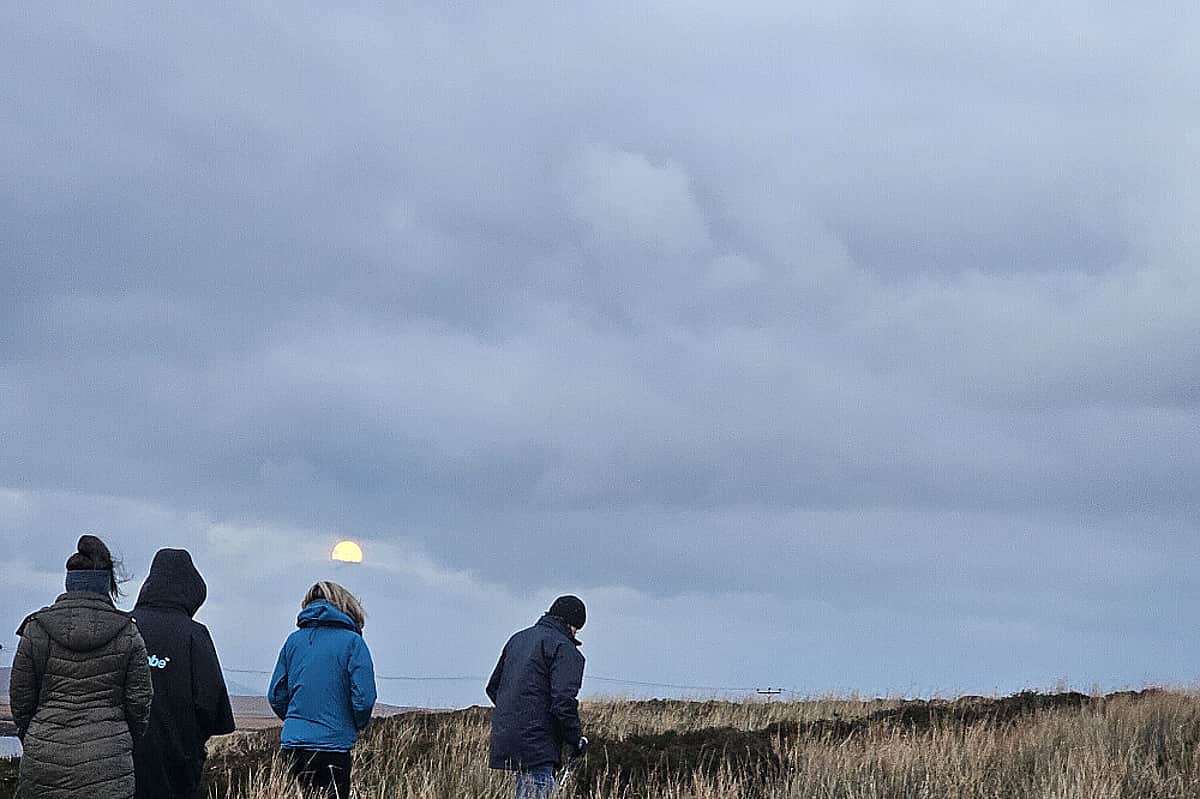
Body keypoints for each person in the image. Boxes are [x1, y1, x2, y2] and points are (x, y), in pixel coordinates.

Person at [9, 535, 154, 799]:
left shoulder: (36, 629)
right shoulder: (128, 633)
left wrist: (37, 737)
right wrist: (119, 740)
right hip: (108, 764)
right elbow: (139, 703)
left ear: (69, 582)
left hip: (44, 758)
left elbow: (21, 701)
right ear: (107, 584)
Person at [132, 548, 236, 799]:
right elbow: (211, 705)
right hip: (177, 766)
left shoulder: (124, 625)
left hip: (119, 762)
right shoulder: (194, 635)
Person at [268, 581, 377, 799]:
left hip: (293, 747)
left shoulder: (293, 642)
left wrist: (297, 719)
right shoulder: (354, 643)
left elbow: (276, 695)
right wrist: (353, 724)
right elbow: (363, 699)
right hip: (334, 747)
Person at [486, 595, 589, 799]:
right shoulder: (564, 649)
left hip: (509, 736)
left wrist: (516, 715)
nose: (576, 632)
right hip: (539, 744)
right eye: (577, 628)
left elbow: (493, 687)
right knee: (537, 785)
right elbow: (563, 701)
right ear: (571, 624)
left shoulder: (518, 639)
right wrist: (576, 739)